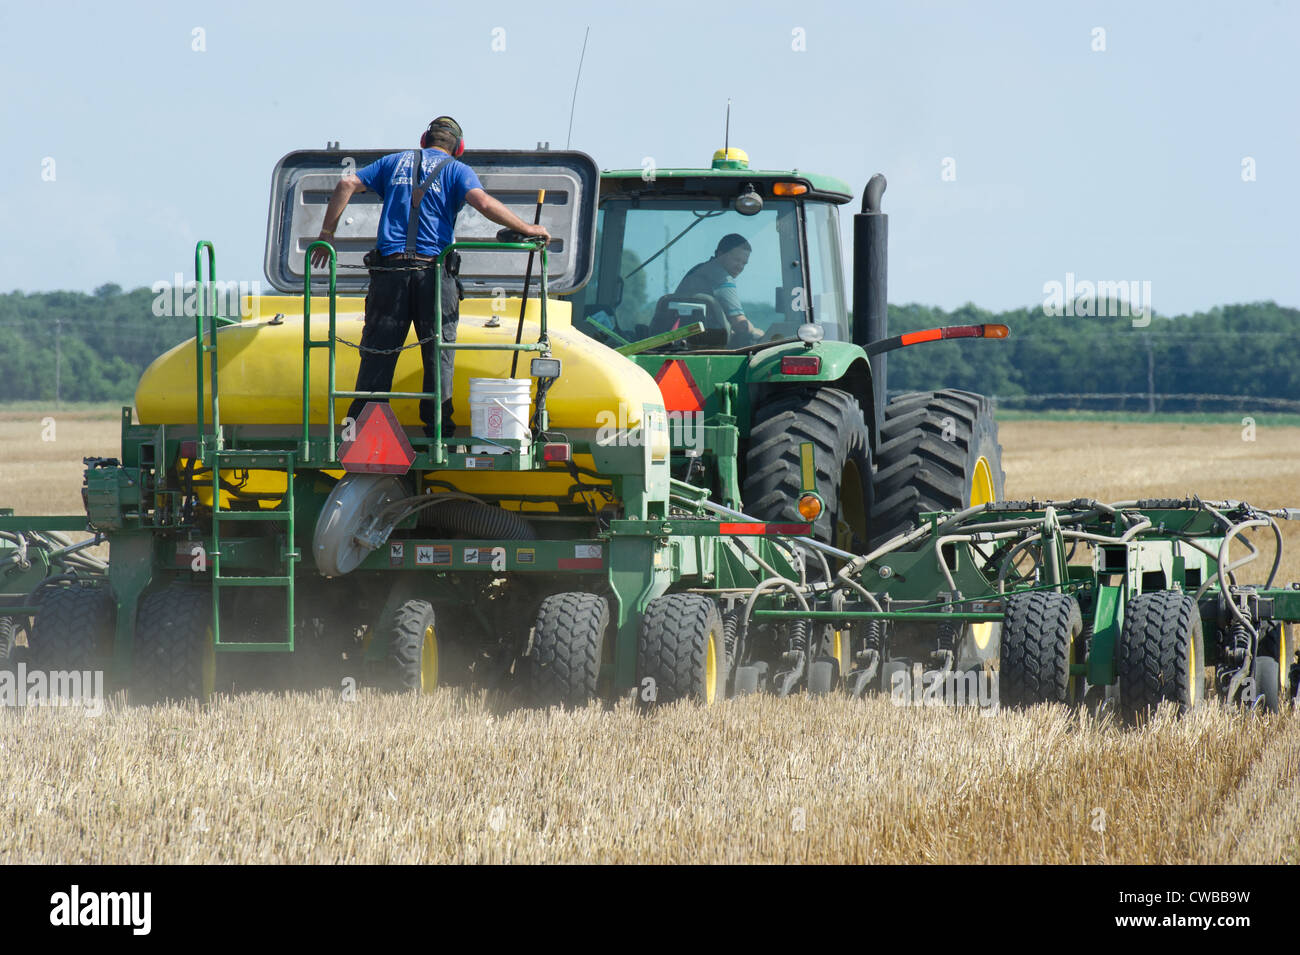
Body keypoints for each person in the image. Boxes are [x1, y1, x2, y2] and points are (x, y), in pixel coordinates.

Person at [310, 116, 549, 437]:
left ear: (424, 140)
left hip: (389, 274)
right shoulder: (457, 170)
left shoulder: (393, 162)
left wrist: (327, 234)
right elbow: (482, 202)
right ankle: (438, 430)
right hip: (433, 275)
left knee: (378, 353)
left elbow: (346, 183)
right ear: (459, 148)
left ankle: (358, 431)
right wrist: (528, 228)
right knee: (439, 352)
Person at [674, 233, 761, 343]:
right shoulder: (722, 277)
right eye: (736, 260)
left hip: (678, 339)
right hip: (702, 343)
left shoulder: (697, 270)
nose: (740, 267)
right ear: (720, 254)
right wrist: (758, 332)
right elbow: (740, 325)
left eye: (744, 263)